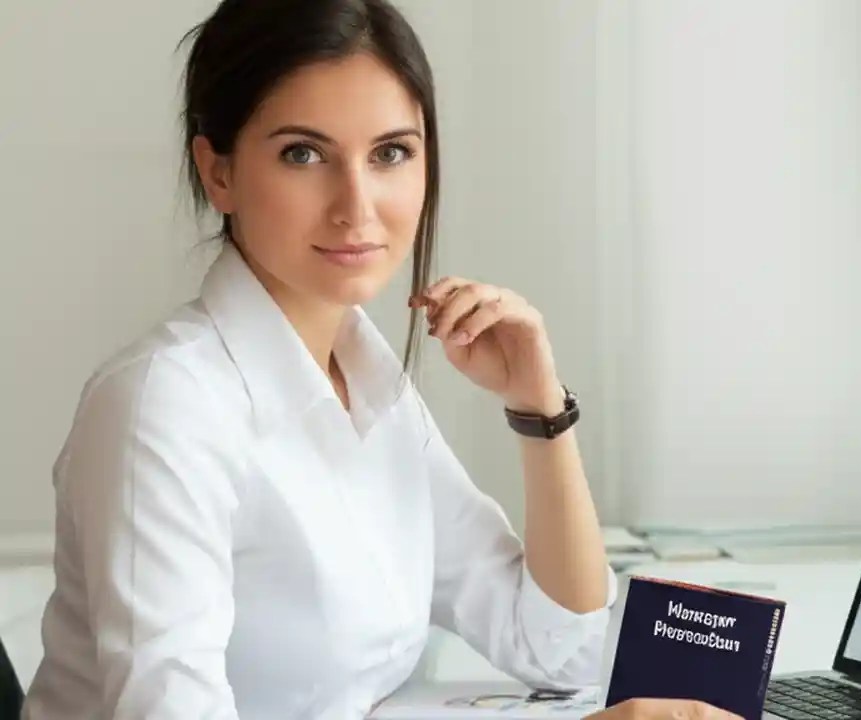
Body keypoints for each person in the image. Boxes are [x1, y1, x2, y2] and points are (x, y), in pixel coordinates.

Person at [20, 1, 739, 718]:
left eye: (391, 153)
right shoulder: (164, 406)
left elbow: (559, 645)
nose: (356, 206)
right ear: (219, 173)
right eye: (303, 154)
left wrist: (541, 409)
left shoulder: (369, 383)